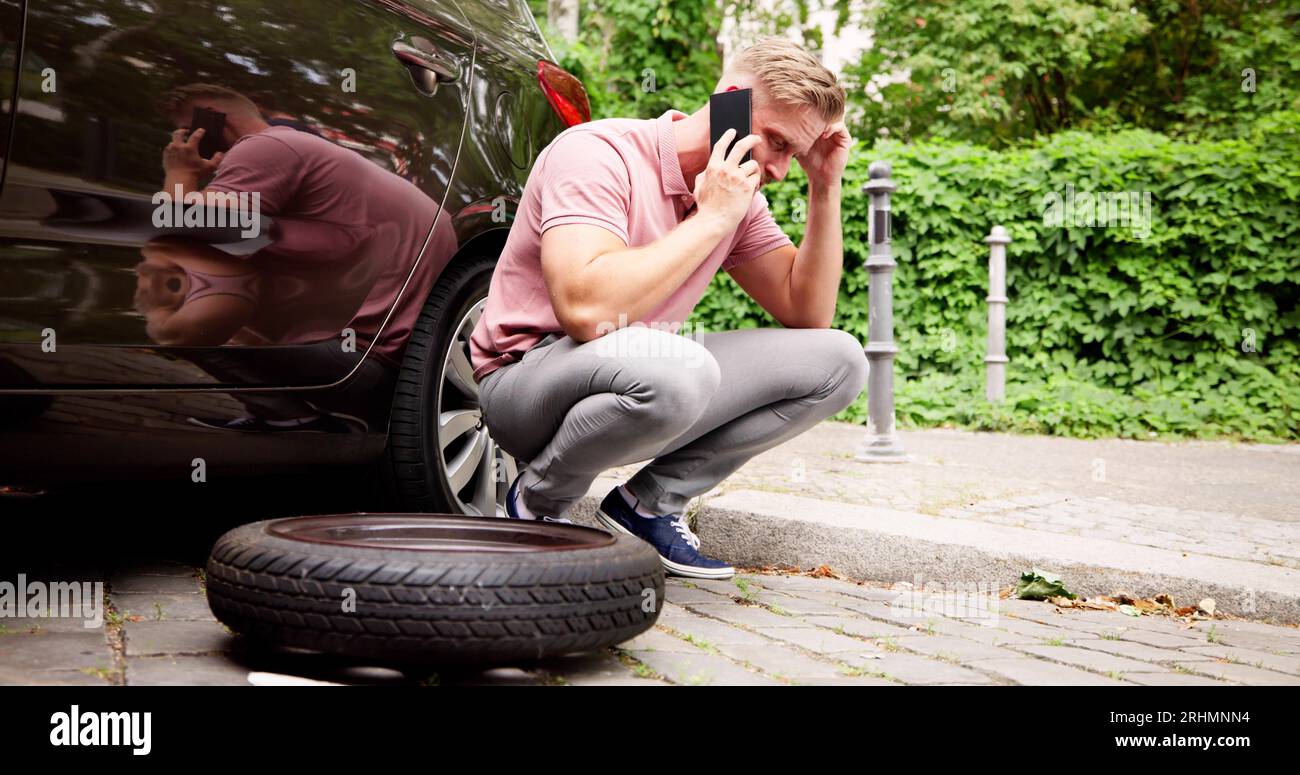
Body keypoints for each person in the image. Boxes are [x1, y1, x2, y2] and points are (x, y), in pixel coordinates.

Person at [469, 38, 869, 579]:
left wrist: (825, 188)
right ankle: (537, 503)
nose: (777, 169)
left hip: (644, 380)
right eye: (775, 142)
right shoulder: (597, 153)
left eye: (792, 155)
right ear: (731, 101)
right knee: (683, 365)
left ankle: (647, 505)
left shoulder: (738, 199)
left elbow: (807, 312)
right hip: (527, 385)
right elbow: (586, 310)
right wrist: (710, 220)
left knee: (840, 360)